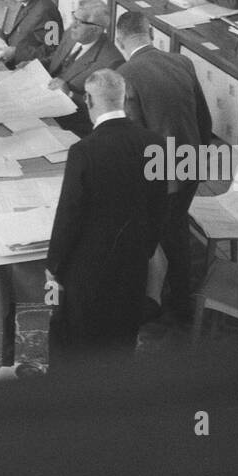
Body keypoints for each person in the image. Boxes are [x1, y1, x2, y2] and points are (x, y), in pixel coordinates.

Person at [45, 69, 166, 367]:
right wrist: (143, 250)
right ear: (123, 99)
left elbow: (68, 217)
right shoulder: (156, 144)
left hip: (86, 271)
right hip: (132, 265)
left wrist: (53, 267)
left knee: (71, 342)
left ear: (87, 99)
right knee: (120, 341)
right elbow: (160, 209)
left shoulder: (83, 151)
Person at [114, 10, 213, 325]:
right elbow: (205, 119)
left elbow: (133, 136)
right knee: (176, 227)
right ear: (151, 34)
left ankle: (164, 299)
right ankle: (181, 297)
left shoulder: (126, 73)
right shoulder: (182, 61)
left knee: (157, 232)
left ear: (119, 40)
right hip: (192, 161)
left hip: (160, 170)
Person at [45, 0, 122, 135]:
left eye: (80, 22)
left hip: (69, 124)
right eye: (74, 17)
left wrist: (70, 94)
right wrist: (35, 63)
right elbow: (56, 59)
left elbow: (104, 108)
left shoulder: (111, 62)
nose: (73, 24)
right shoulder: (72, 33)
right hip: (45, 101)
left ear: (96, 29)